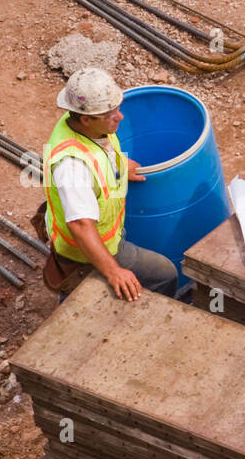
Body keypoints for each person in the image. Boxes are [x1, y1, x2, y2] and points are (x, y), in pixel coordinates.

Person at [42, 67, 178, 301]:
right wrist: (114, 272)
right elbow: (81, 226)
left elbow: (98, 150)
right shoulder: (72, 167)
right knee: (165, 274)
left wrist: (119, 164)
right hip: (85, 251)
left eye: (117, 108)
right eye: (110, 113)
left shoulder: (84, 123)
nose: (120, 116)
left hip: (108, 233)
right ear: (85, 118)